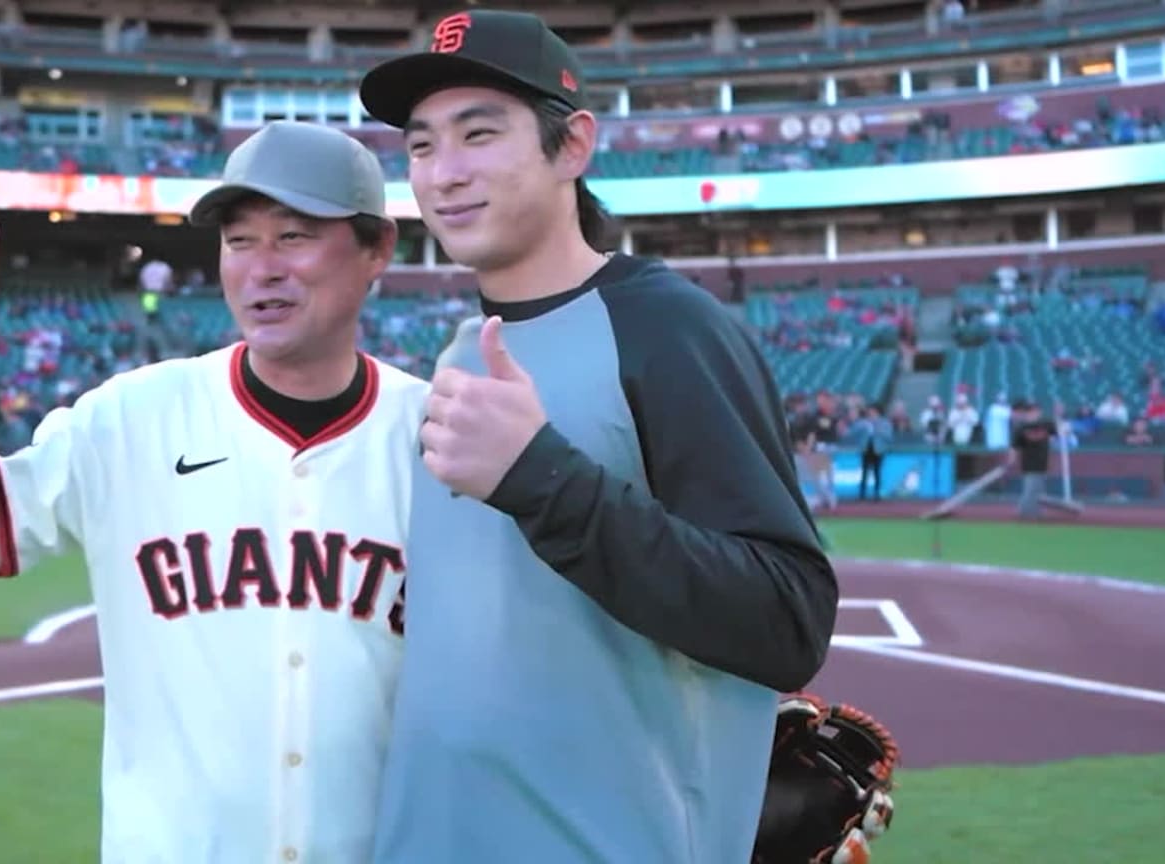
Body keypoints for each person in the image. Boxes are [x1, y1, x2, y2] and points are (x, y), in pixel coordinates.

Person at [357, 11, 839, 863]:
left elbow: (787, 617)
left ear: (572, 146)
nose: (445, 174)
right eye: (423, 147)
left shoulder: (666, 327)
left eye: (480, 134)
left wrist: (541, 476)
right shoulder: (465, 349)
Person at [0, 120, 426, 864]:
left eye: (294, 237)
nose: (262, 267)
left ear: (377, 251)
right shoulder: (129, 416)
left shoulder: (436, 434)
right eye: (239, 241)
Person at [1007, 400, 1056, 518]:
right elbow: (1014, 446)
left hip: (1042, 460)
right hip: (1029, 461)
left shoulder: (1046, 424)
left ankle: (1031, 511)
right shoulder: (1020, 427)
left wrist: (1058, 414)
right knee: (1030, 487)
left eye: (1035, 411)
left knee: (1039, 488)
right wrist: (1011, 459)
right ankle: (1026, 512)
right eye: (1030, 411)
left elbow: (1056, 433)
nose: (1033, 413)